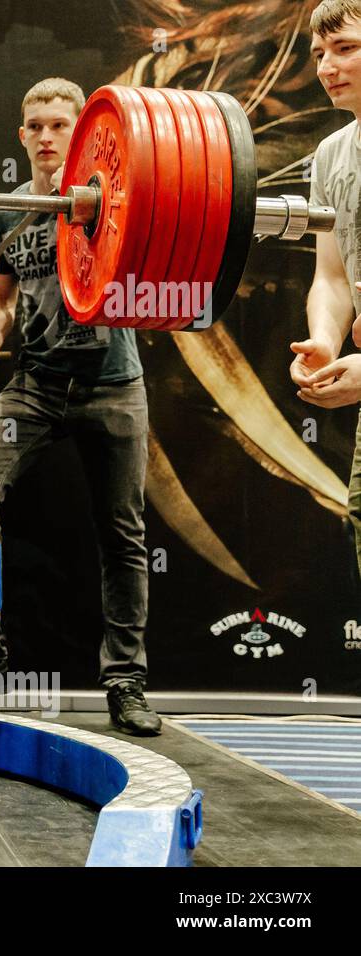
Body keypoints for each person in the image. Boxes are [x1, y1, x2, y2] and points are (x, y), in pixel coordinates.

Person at [0, 78, 160, 736]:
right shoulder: (3, 210)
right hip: (38, 385)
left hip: (113, 384)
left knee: (123, 535)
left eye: (59, 125)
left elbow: (158, 282)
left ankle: (126, 683)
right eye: (35, 126)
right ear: (22, 136)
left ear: (83, 135)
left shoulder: (123, 202)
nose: (46, 137)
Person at [296, 0, 361, 584]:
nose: (327, 66)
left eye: (346, 48)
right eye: (320, 53)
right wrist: (324, 340)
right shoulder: (331, 155)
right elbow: (333, 277)